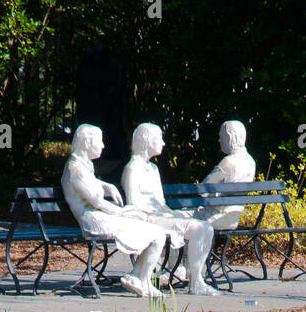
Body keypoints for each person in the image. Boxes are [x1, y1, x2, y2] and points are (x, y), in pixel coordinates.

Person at [61, 124, 166, 298]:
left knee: (154, 230)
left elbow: (92, 183)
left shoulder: (83, 165)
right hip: (92, 220)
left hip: (99, 215)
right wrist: (121, 212)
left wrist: (107, 186)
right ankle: (139, 278)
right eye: (99, 141)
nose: (103, 146)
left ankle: (140, 278)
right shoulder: (75, 169)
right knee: (156, 233)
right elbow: (97, 201)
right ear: (87, 143)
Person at [121, 122, 218, 296]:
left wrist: (173, 215)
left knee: (207, 228)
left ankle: (197, 280)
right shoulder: (132, 169)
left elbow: (160, 202)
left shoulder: (153, 169)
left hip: (161, 215)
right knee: (199, 228)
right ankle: (194, 283)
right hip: (147, 219)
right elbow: (134, 206)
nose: (163, 143)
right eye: (159, 138)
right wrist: (166, 216)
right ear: (146, 140)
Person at [200, 120, 257, 229]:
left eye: (221, 136)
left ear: (229, 137)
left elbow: (203, 189)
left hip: (215, 216)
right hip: (233, 217)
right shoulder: (251, 161)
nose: (219, 140)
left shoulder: (228, 162)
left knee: (180, 220)